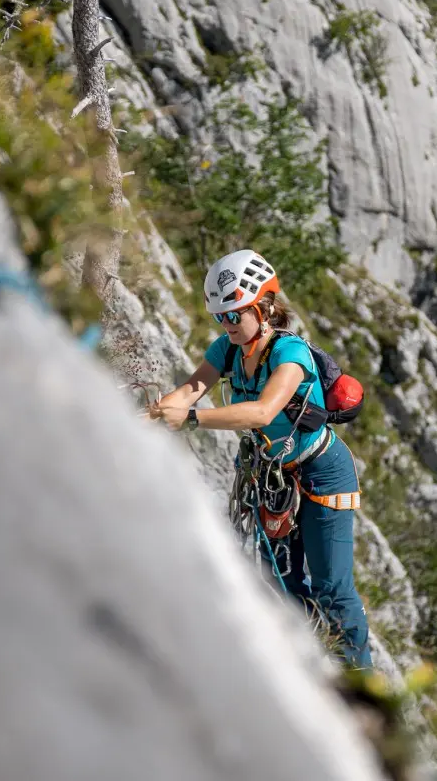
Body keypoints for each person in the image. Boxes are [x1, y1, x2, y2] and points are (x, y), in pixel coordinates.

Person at [149, 249, 372, 670]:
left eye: (235, 315)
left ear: (264, 307)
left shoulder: (290, 355)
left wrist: (191, 419)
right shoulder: (228, 350)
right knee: (278, 578)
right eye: (222, 317)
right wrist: (155, 413)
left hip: (322, 471)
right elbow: (193, 386)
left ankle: (364, 685)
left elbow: (263, 412)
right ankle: (312, 659)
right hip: (269, 473)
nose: (228, 325)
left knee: (332, 586)